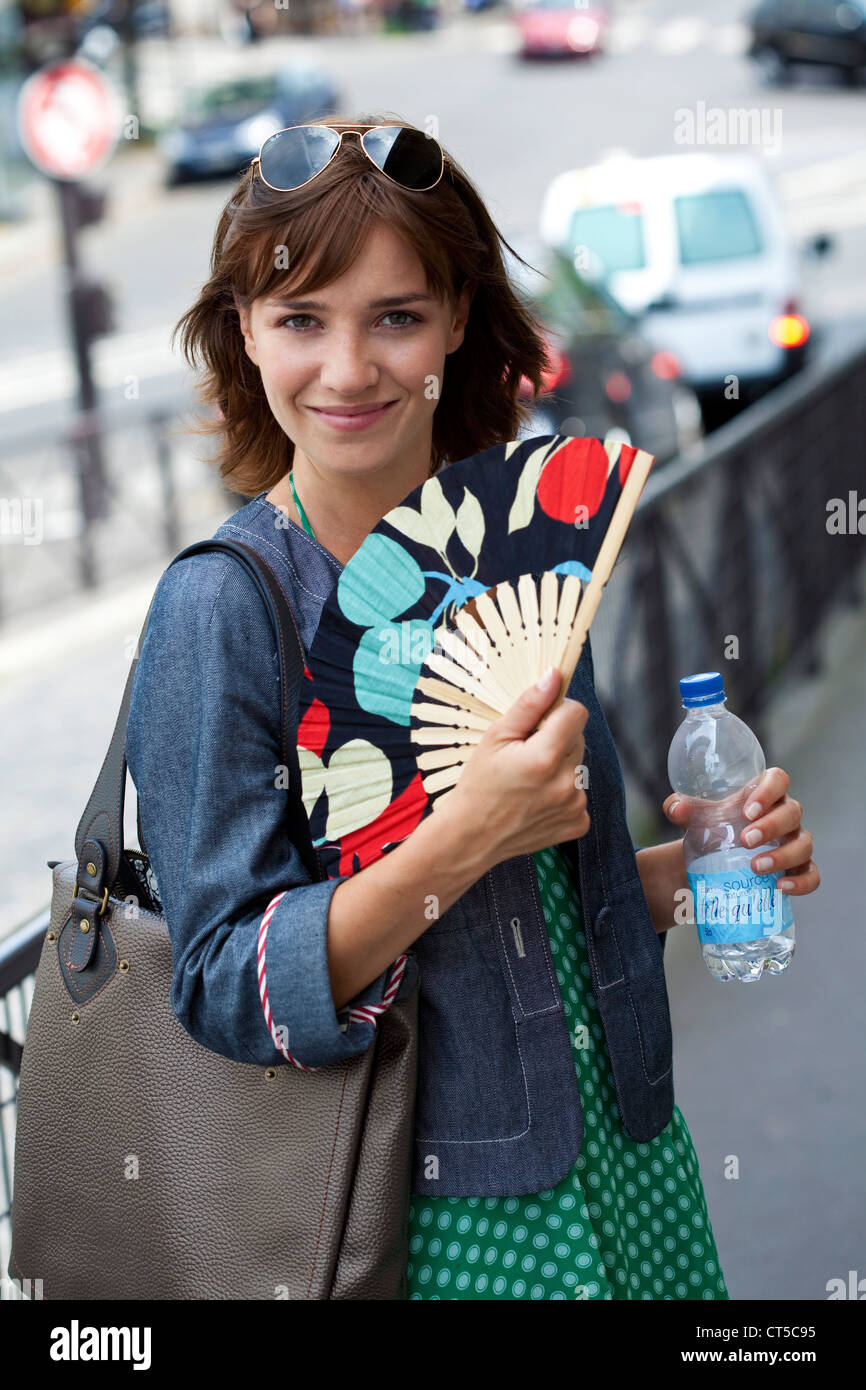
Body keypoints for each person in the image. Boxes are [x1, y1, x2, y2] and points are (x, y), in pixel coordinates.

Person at [126, 116, 820, 1301]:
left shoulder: (525, 560)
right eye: (301, 320)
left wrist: (685, 873)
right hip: (425, 1216)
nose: (348, 370)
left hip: (625, 1152)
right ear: (244, 333)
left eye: (394, 315)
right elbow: (220, 982)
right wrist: (463, 836)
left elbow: (536, 895)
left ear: (454, 318)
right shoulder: (225, 609)